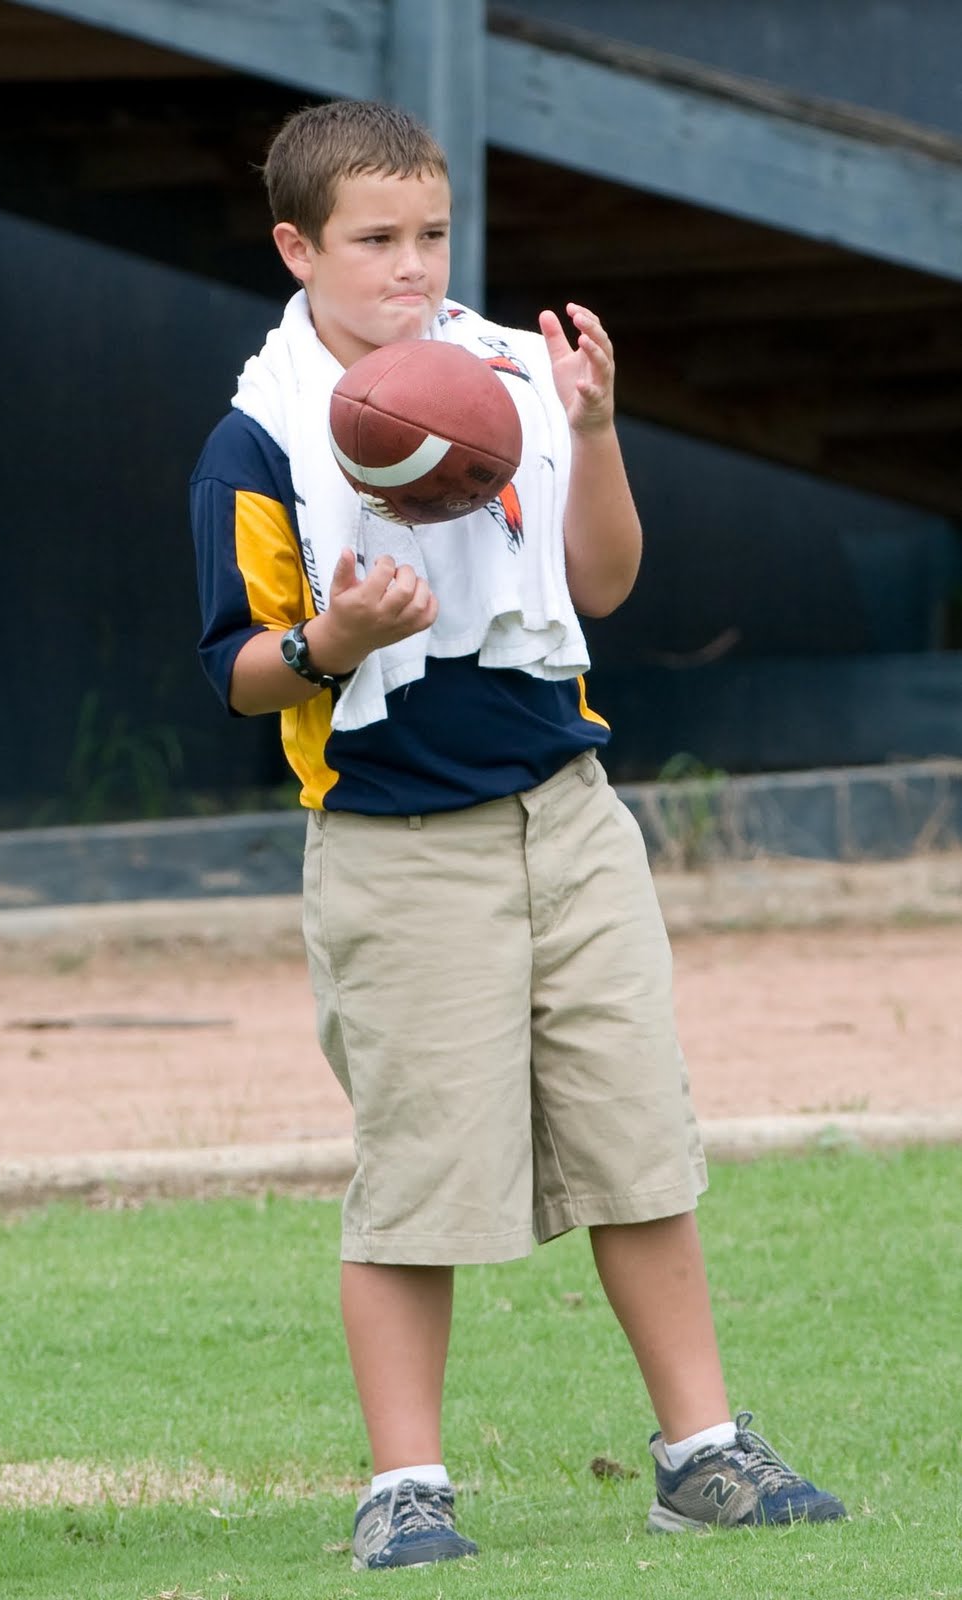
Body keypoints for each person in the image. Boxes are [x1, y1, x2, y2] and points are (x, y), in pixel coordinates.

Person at [189, 98, 846, 1570]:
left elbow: (602, 584)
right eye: (373, 243)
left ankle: (702, 1456)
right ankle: (404, 1488)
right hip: (395, 842)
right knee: (419, 1173)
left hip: (570, 816)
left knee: (639, 1146)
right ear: (297, 248)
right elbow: (234, 670)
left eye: (430, 235)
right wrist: (333, 637)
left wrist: (594, 427)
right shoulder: (256, 431)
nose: (411, 270)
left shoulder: (511, 379)